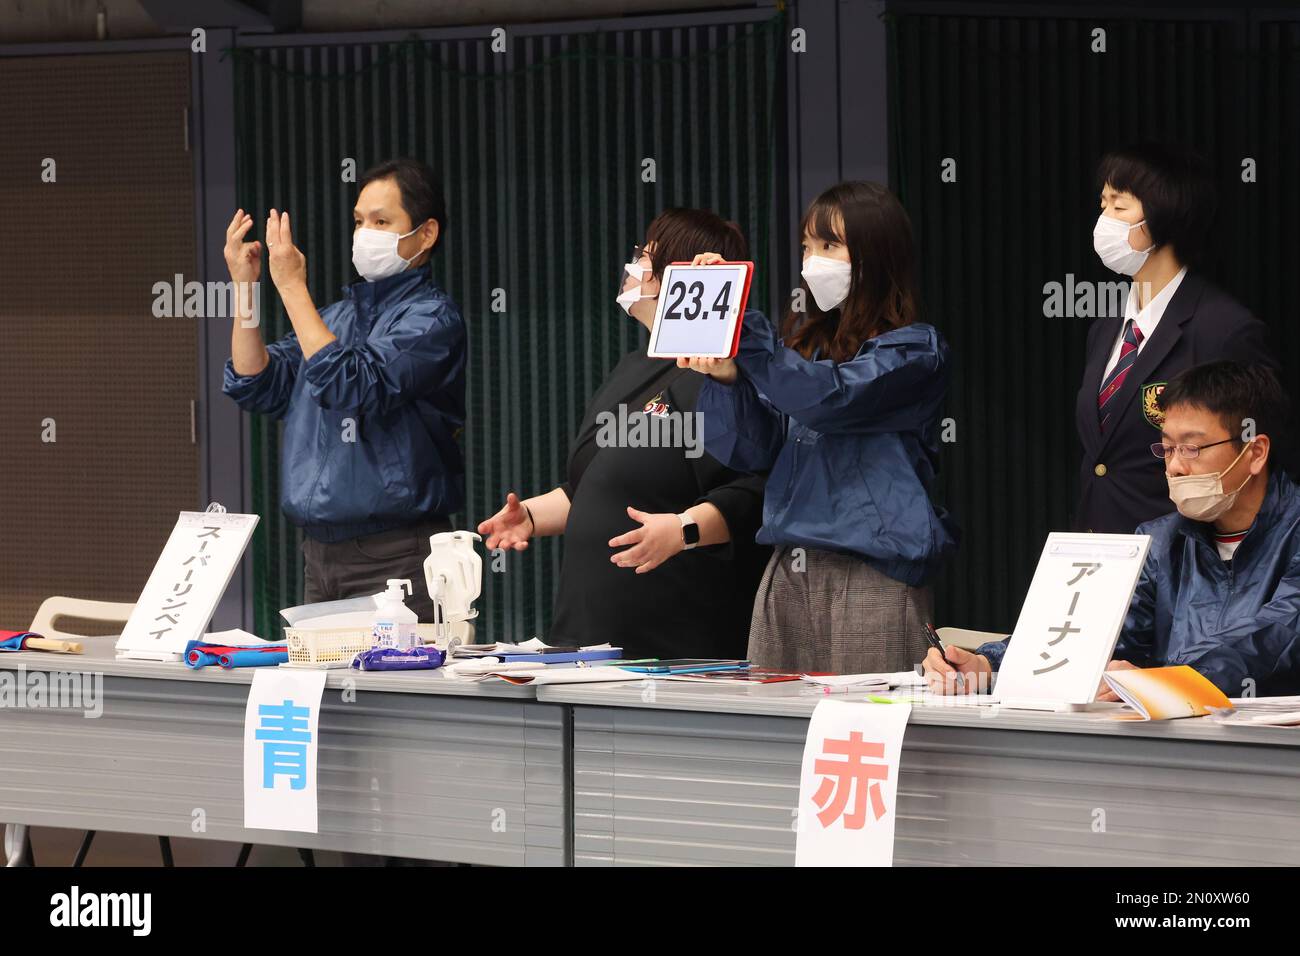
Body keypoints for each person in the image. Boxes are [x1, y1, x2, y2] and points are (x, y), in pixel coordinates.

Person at [683, 181, 959, 675]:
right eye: (808, 247)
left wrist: (741, 322)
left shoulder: (916, 351)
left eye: (829, 246)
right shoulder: (806, 347)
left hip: (872, 574)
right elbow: (752, 450)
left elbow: (829, 400)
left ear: (875, 254)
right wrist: (728, 381)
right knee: (775, 736)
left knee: (868, 729)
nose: (813, 261)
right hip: (788, 568)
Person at [477, 208, 769, 660]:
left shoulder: (719, 379)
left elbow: (750, 494)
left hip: (672, 646)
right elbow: (595, 486)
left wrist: (682, 530)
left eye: (647, 257)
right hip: (586, 636)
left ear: (679, 278)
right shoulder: (632, 366)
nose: (634, 266)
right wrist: (531, 517)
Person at [928, 362, 1300, 699]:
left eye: (1191, 448)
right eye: (1167, 449)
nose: (1174, 467)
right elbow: (1092, 632)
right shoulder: (1159, 542)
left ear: (1255, 452)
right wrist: (987, 666)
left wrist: (1164, 682)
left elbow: (1273, 638)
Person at [222, 158, 465, 621]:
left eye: (381, 221)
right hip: (320, 553)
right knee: (330, 691)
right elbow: (255, 382)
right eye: (358, 221)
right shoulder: (335, 318)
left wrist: (292, 287)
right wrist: (246, 290)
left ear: (426, 233)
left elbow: (351, 384)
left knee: (396, 690)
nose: (364, 232)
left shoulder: (433, 319)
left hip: (397, 555)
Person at [1076, 142, 1275, 535]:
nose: (1104, 220)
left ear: (1164, 216)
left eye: (1119, 207)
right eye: (1102, 205)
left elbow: (1259, 461)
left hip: (1184, 562)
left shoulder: (1226, 329)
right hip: (1103, 556)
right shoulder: (1105, 326)